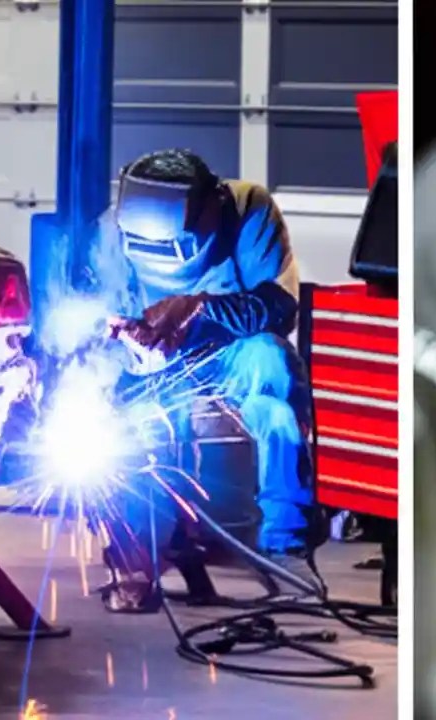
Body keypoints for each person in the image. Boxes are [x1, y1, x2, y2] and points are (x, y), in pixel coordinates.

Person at [97, 149, 324, 612]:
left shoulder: (247, 209)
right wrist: (126, 340)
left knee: (274, 367)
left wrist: (198, 307)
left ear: (212, 204)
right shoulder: (113, 226)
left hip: (230, 352)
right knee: (138, 424)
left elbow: (279, 307)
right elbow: (94, 316)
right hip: (153, 363)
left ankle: (286, 544)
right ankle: (139, 553)